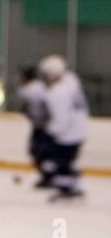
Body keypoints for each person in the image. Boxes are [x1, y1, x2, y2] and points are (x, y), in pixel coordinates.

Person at [37, 55, 88, 201]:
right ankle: (72, 186)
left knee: (61, 162)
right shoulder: (72, 80)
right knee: (67, 161)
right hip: (80, 129)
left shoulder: (57, 93)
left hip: (67, 134)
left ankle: (66, 189)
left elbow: (61, 118)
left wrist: (51, 132)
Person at [16, 66, 51, 189]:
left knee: (39, 151)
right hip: (41, 125)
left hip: (44, 126)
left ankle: (48, 177)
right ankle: (46, 176)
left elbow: (42, 106)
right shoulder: (38, 86)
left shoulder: (31, 89)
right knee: (37, 151)